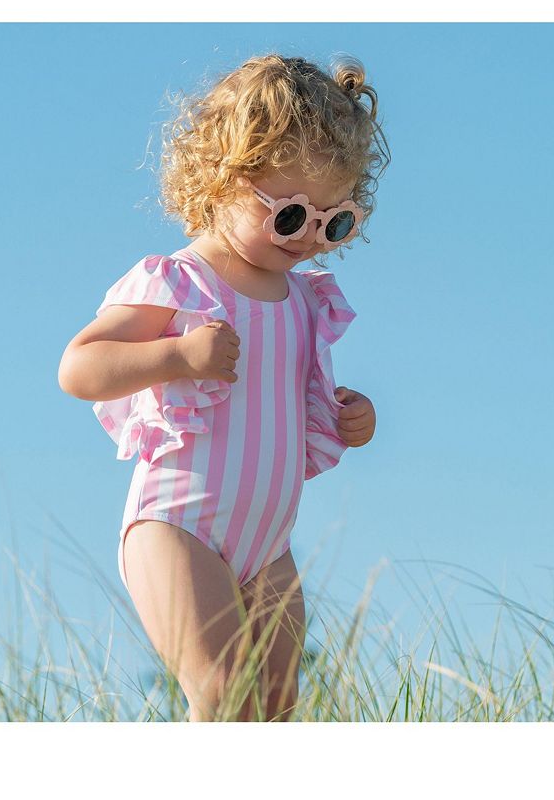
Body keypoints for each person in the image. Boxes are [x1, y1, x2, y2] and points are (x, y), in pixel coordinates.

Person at [58, 52, 390, 721]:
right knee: (220, 690)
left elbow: (289, 402)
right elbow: (80, 366)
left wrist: (354, 415)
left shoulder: (304, 300)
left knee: (274, 704)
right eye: (290, 216)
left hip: (269, 543)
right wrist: (178, 354)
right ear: (223, 178)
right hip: (177, 525)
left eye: (336, 222)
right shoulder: (182, 281)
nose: (310, 238)